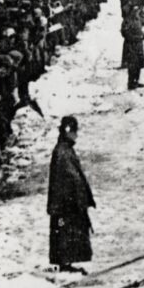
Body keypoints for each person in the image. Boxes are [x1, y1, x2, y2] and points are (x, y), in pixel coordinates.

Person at [47, 116, 95, 274]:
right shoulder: (63, 151)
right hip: (66, 203)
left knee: (66, 232)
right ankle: (63, 263)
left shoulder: (64, 149)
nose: (76, 135)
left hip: (65, 203)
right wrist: (80, 200)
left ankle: (64, 262)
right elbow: (71, 179)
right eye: (74, 131)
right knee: (65, 232)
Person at [120, 5, 144, 90]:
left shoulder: (137, 20)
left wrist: (143, 35)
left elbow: (140, 29)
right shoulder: (127, 21)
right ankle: (131, 83)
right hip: (130, 47)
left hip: (138, 46)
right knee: (132, 66)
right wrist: (137, 38)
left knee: (138, 65)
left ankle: (136, 81)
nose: (137, 12)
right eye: (135, 11)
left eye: (137, 11)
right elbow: (125, 34)